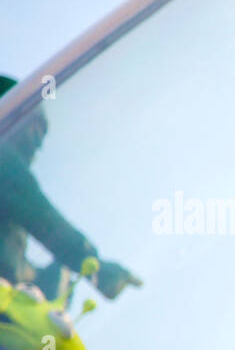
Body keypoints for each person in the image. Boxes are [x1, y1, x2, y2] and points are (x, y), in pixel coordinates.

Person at [0, 75, 140, 300]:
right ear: (12, 116)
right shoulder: (4, 163)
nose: (37, 146)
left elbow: (12, 268)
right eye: (36, 129)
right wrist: (95, 268)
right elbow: (40, 216)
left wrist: (50, 278)